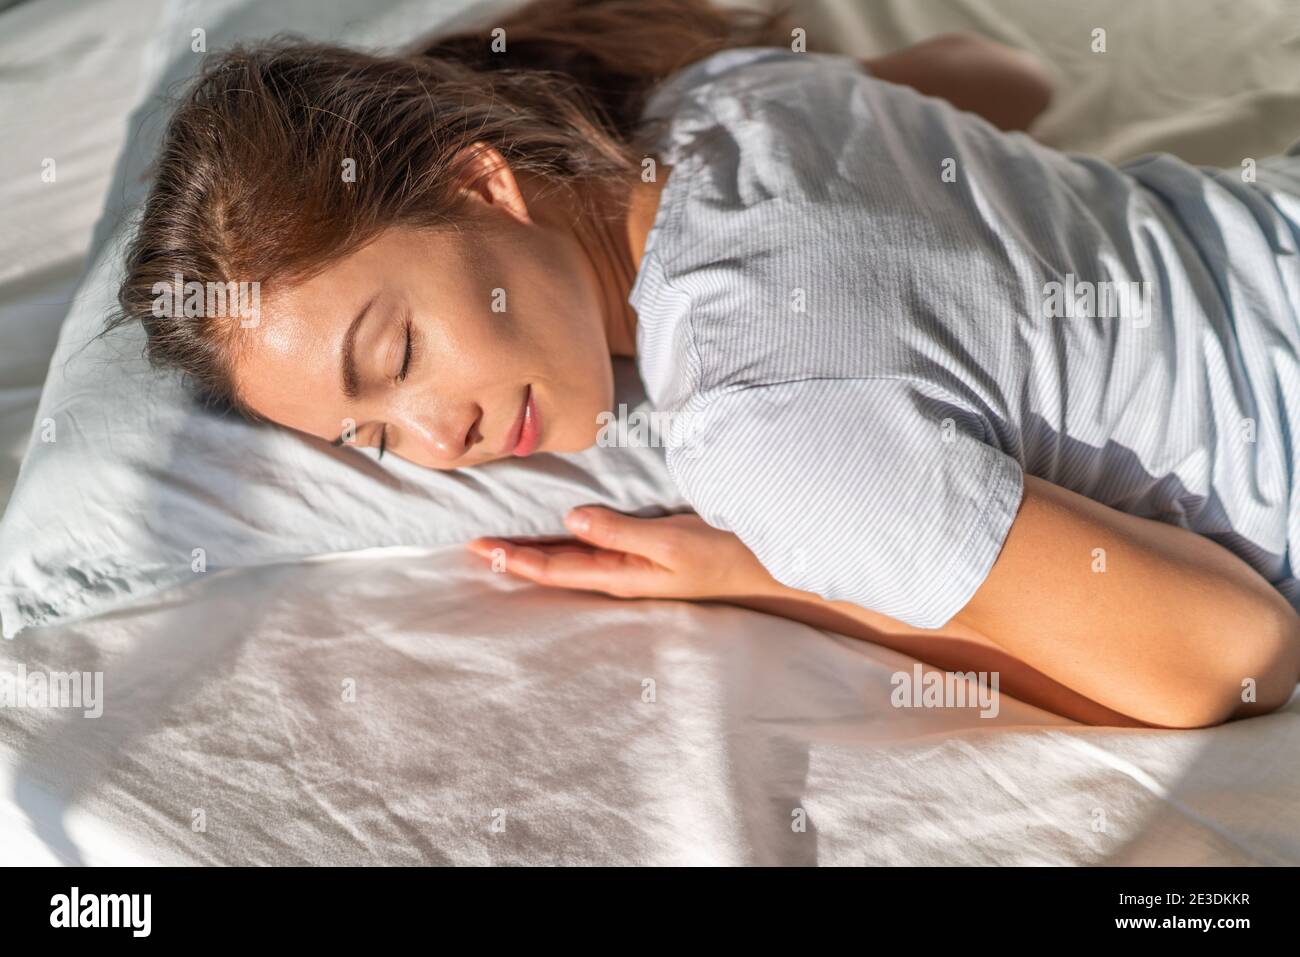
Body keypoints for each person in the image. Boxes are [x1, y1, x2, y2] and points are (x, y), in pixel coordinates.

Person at [107, 0, 1300, 728]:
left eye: (399, 353)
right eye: (371, 441)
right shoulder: (722, 98)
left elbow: (1229, 659)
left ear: (482, 183)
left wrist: (769, 569)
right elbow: (1003, 78)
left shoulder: (761, 431)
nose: (436, 443)